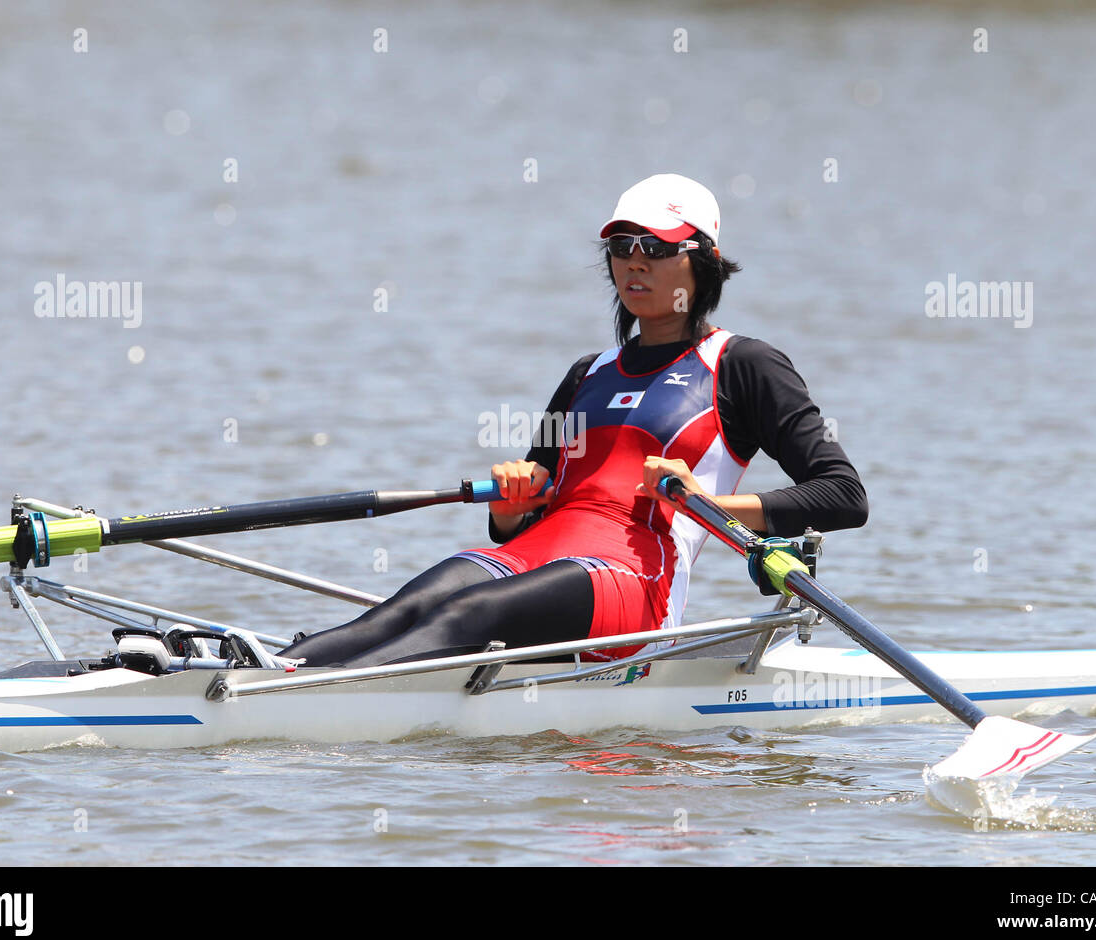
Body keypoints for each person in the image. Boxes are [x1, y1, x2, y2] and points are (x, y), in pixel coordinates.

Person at [282, 174, 867, 668]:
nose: (634, 263)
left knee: (468, 614)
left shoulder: (744, 365)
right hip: (532, 557)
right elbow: (522, 516)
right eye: (621, 246)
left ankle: (296, 701)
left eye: (657, 249)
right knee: (408, 607)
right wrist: (509, 506)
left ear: (704, 262)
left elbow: (844, 495)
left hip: (631, 584)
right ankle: (279, 667)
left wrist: (701, 501)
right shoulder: (589, 372)